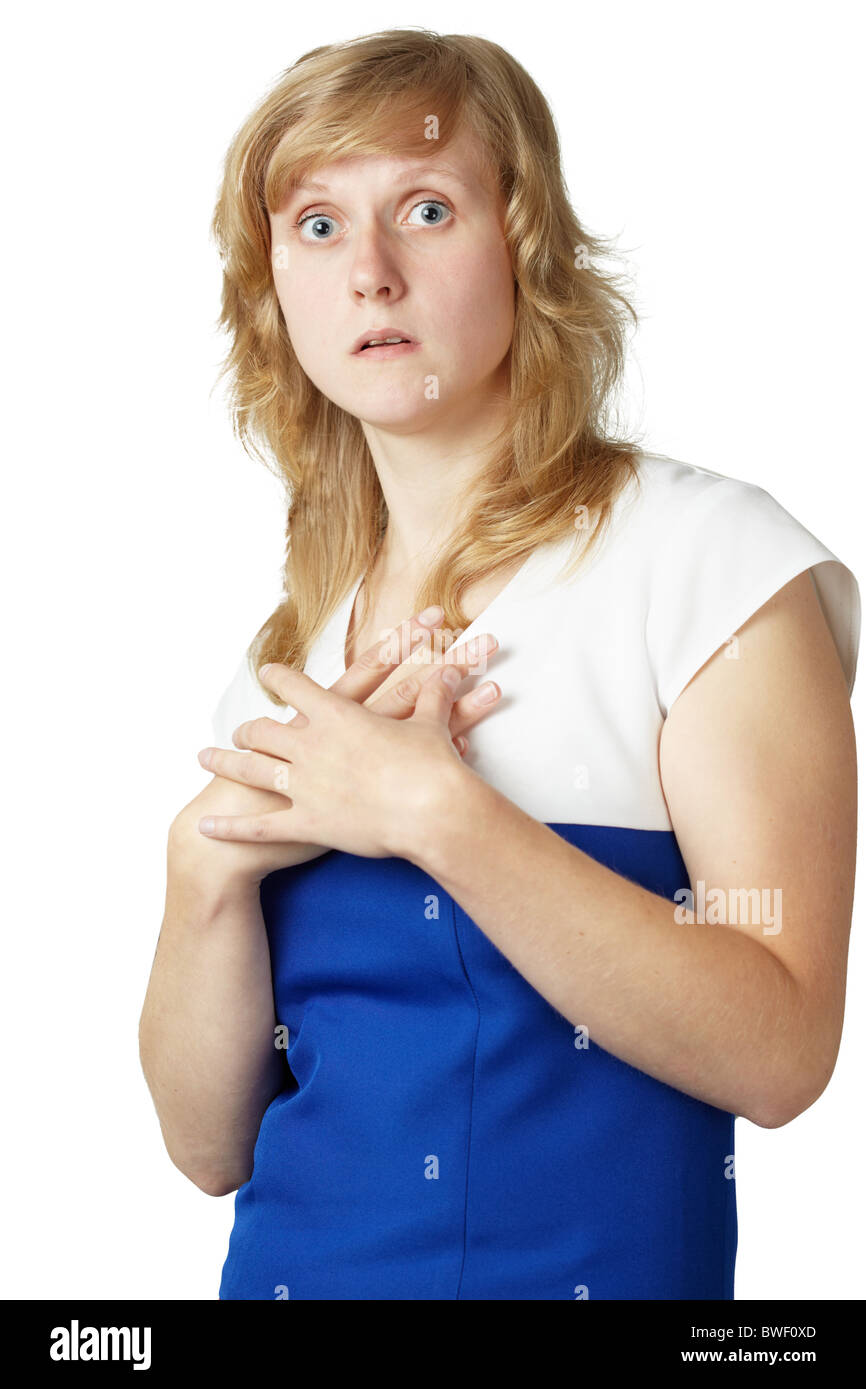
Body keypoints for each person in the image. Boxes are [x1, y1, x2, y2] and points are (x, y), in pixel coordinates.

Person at [139, 29, 860, 1301]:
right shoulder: (284, 666)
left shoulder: (706, 570)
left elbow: (780, 1045)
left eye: (425, 208)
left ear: (525, 241)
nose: (368, 273)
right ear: (273, 287)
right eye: (315, 225)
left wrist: (436, 813)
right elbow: (207, 1150)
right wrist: (199, 876)